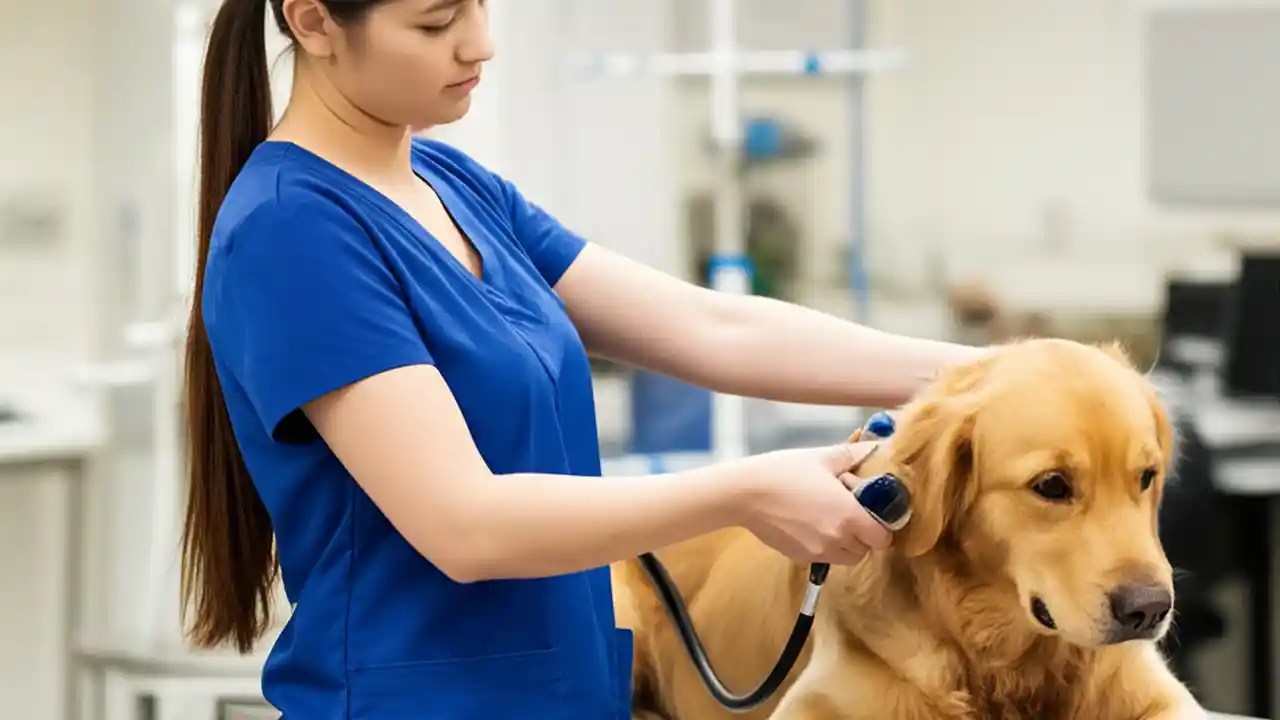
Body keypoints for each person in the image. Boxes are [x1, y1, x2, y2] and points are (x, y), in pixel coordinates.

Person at [178, 0, 986, 717]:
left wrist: (994, 373)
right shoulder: (294, 231)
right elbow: (465, 523)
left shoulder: (454, 185)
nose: (481, 43)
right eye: (437, 20)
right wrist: (746, 491)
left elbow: (713, 329)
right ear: (312, 20)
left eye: (483, 5)